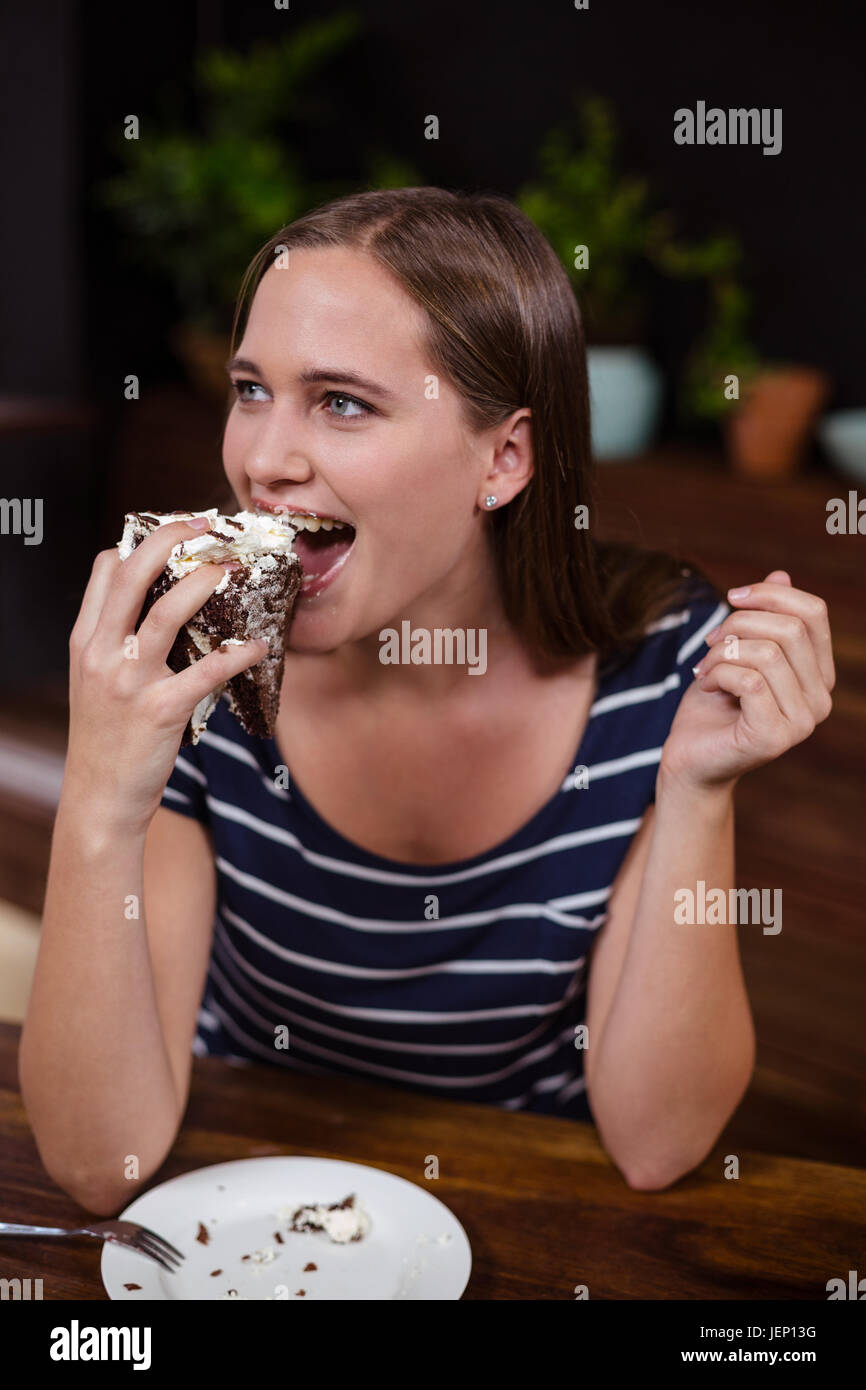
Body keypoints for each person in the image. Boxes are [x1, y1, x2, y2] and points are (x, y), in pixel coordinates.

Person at [19, 188, 835, 1213]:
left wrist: (696, 789)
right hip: (247, 1189)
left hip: (531, 1203)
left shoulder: (658, 661)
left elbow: (656, 1144)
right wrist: (98, 795)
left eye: (342, 402)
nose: (261, 461)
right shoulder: (200, 664)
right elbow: (104, 1167)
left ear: (502, 458)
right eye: (250, 389)